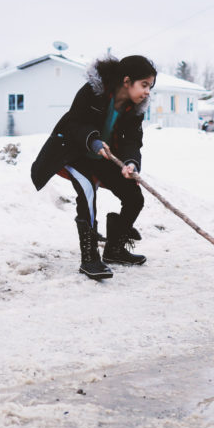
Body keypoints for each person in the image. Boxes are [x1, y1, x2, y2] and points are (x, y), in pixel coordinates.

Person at [31, 54, 155, 280]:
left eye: (150, 87)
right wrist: (93, 140)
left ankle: (114, 250)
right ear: (127, 81)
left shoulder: (134, 110)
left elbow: (132, 141)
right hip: (72, 152)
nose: (148, 91)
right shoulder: (92, 92)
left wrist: (130, 162)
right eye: (144, 85)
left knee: (134, 197)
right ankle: (89, 258)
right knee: (87, 191)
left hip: (104, 158)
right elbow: (75, 123)